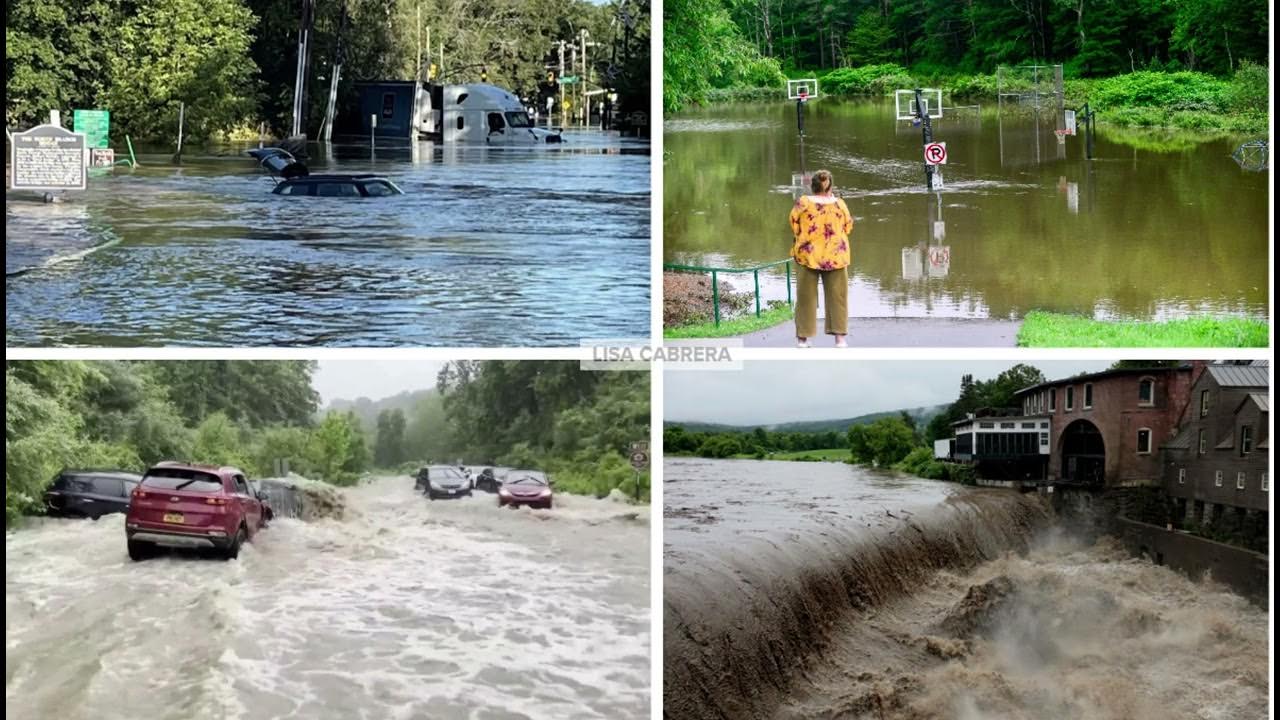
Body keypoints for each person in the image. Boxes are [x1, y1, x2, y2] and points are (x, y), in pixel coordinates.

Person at [788, 169, 853, 347]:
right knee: (838, 297)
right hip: (836, 256)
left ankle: (803, 339)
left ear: (812, 186)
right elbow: (848, 226)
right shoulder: (840, 204)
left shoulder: (803, 203)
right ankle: (839, 339)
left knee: (805, 298)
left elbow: (793, 223)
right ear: (830, 186)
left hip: (807, 254)